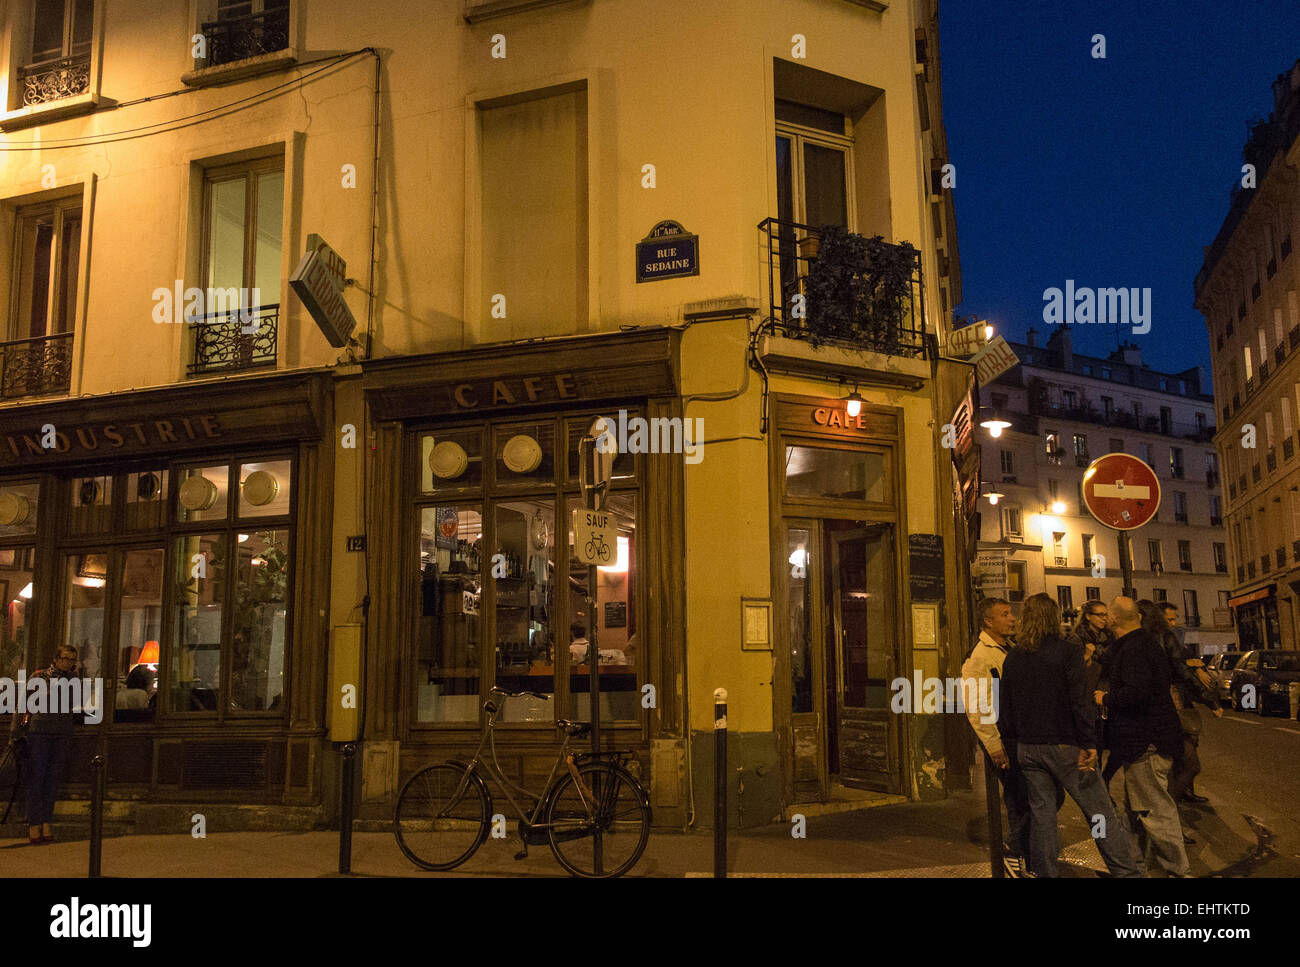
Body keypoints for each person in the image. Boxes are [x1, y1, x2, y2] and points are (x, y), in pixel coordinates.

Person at [1000, 594, 1142, 878]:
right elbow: (1080, 701)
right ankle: (1126, 872)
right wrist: (1089, 742)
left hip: (1029, 747)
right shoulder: (1067, 653)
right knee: (1099, 811)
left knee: (1043, 817)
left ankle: (1045, 873)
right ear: (1053, 618)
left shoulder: (1013, 657)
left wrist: (1015, 744)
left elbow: (1006, 708)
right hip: (1065, 745)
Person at [1098, 597, 1191, 877]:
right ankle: (1134, 868)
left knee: (1154, 811)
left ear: (1114, 619)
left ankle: (1178, 871)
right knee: (1136, 811)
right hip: (1145, 741)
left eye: (1108, 616)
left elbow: (1136, 693)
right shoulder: (1143, 644)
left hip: (1146, 742)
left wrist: (1105, 697)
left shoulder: (1135, 649)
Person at [960, 597, 1031, 872]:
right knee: (1022, 796)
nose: (1012, 618)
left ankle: (1020, 852)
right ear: (988, 621)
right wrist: (993, 745)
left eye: (1011, 613)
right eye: (1005, 614)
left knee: (1021, 797)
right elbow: (976, 706)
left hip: (1017, 735)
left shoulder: (1008, 648)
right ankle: (1015, 851)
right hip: (1004, 739)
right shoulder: (979, 657)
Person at [1158, 602, 1220, 806]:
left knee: (1190, 748)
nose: (1173, 623)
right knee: (1188, 760)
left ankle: (1184, 793)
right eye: (1170, 619)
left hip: (1180, 702)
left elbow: (1185, 658)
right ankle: (1170, 808)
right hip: (1173, 704)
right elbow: (1183, 670)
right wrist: (1210, 701)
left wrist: (1196, 664)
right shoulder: (1163, 639)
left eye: (1175, 619)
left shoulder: (1172, 637)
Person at [23, 645, 80, 845]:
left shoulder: (74, 679)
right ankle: (34, 823)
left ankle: (47, 821)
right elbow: (25, 703)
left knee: (53, 779)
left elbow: (75, 703)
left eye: (72, 659)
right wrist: (17, 731)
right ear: (56, 659)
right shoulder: (39, 675)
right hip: (40, 731)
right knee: (37, 778)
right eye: (65, 658)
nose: (68, 663)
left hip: (62, 732)